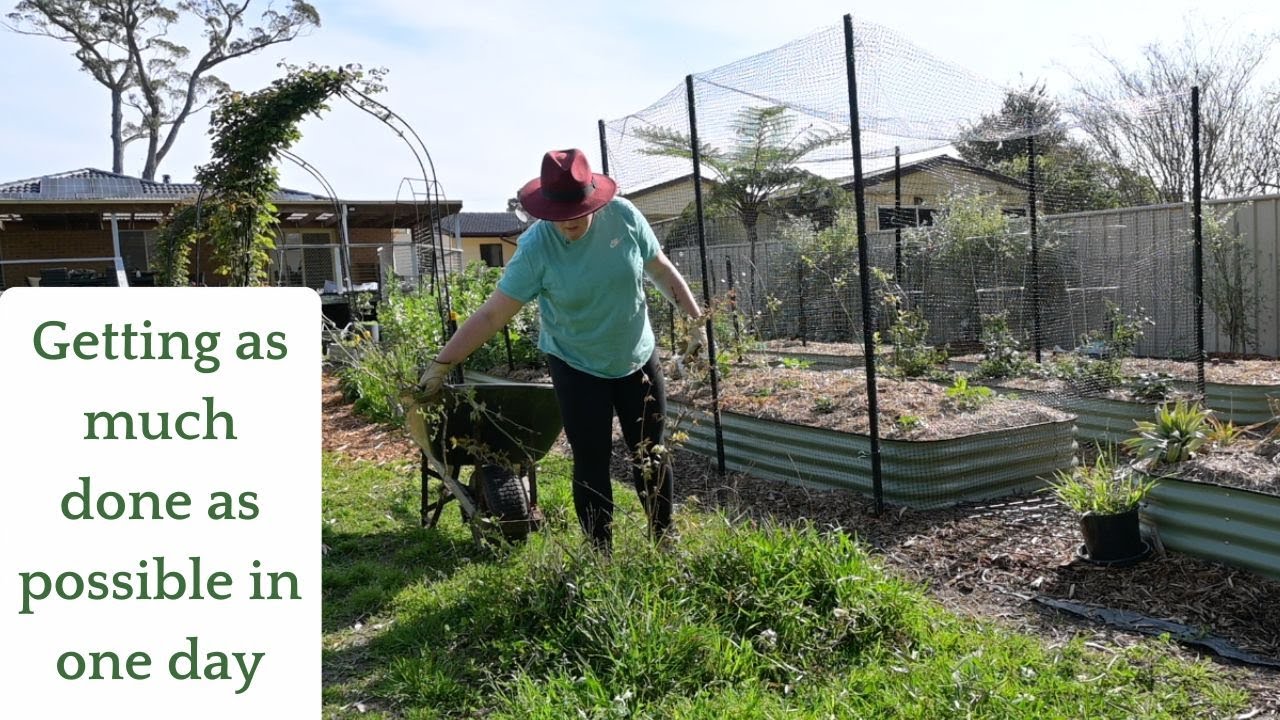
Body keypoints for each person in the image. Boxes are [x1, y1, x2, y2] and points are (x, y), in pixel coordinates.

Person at [418, 148, 706, 551]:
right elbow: (491, 315)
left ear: (594, 198)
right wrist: (442, 365)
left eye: (577, 209)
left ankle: (664, 540)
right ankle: (600, 556)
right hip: (576, 364)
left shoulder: (624, 217)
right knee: (591, 461)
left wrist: (695, 321)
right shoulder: (537, 246)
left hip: (636, 357)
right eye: (558, 214)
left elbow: (658, 267)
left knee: (650, 455)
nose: (568, 221)